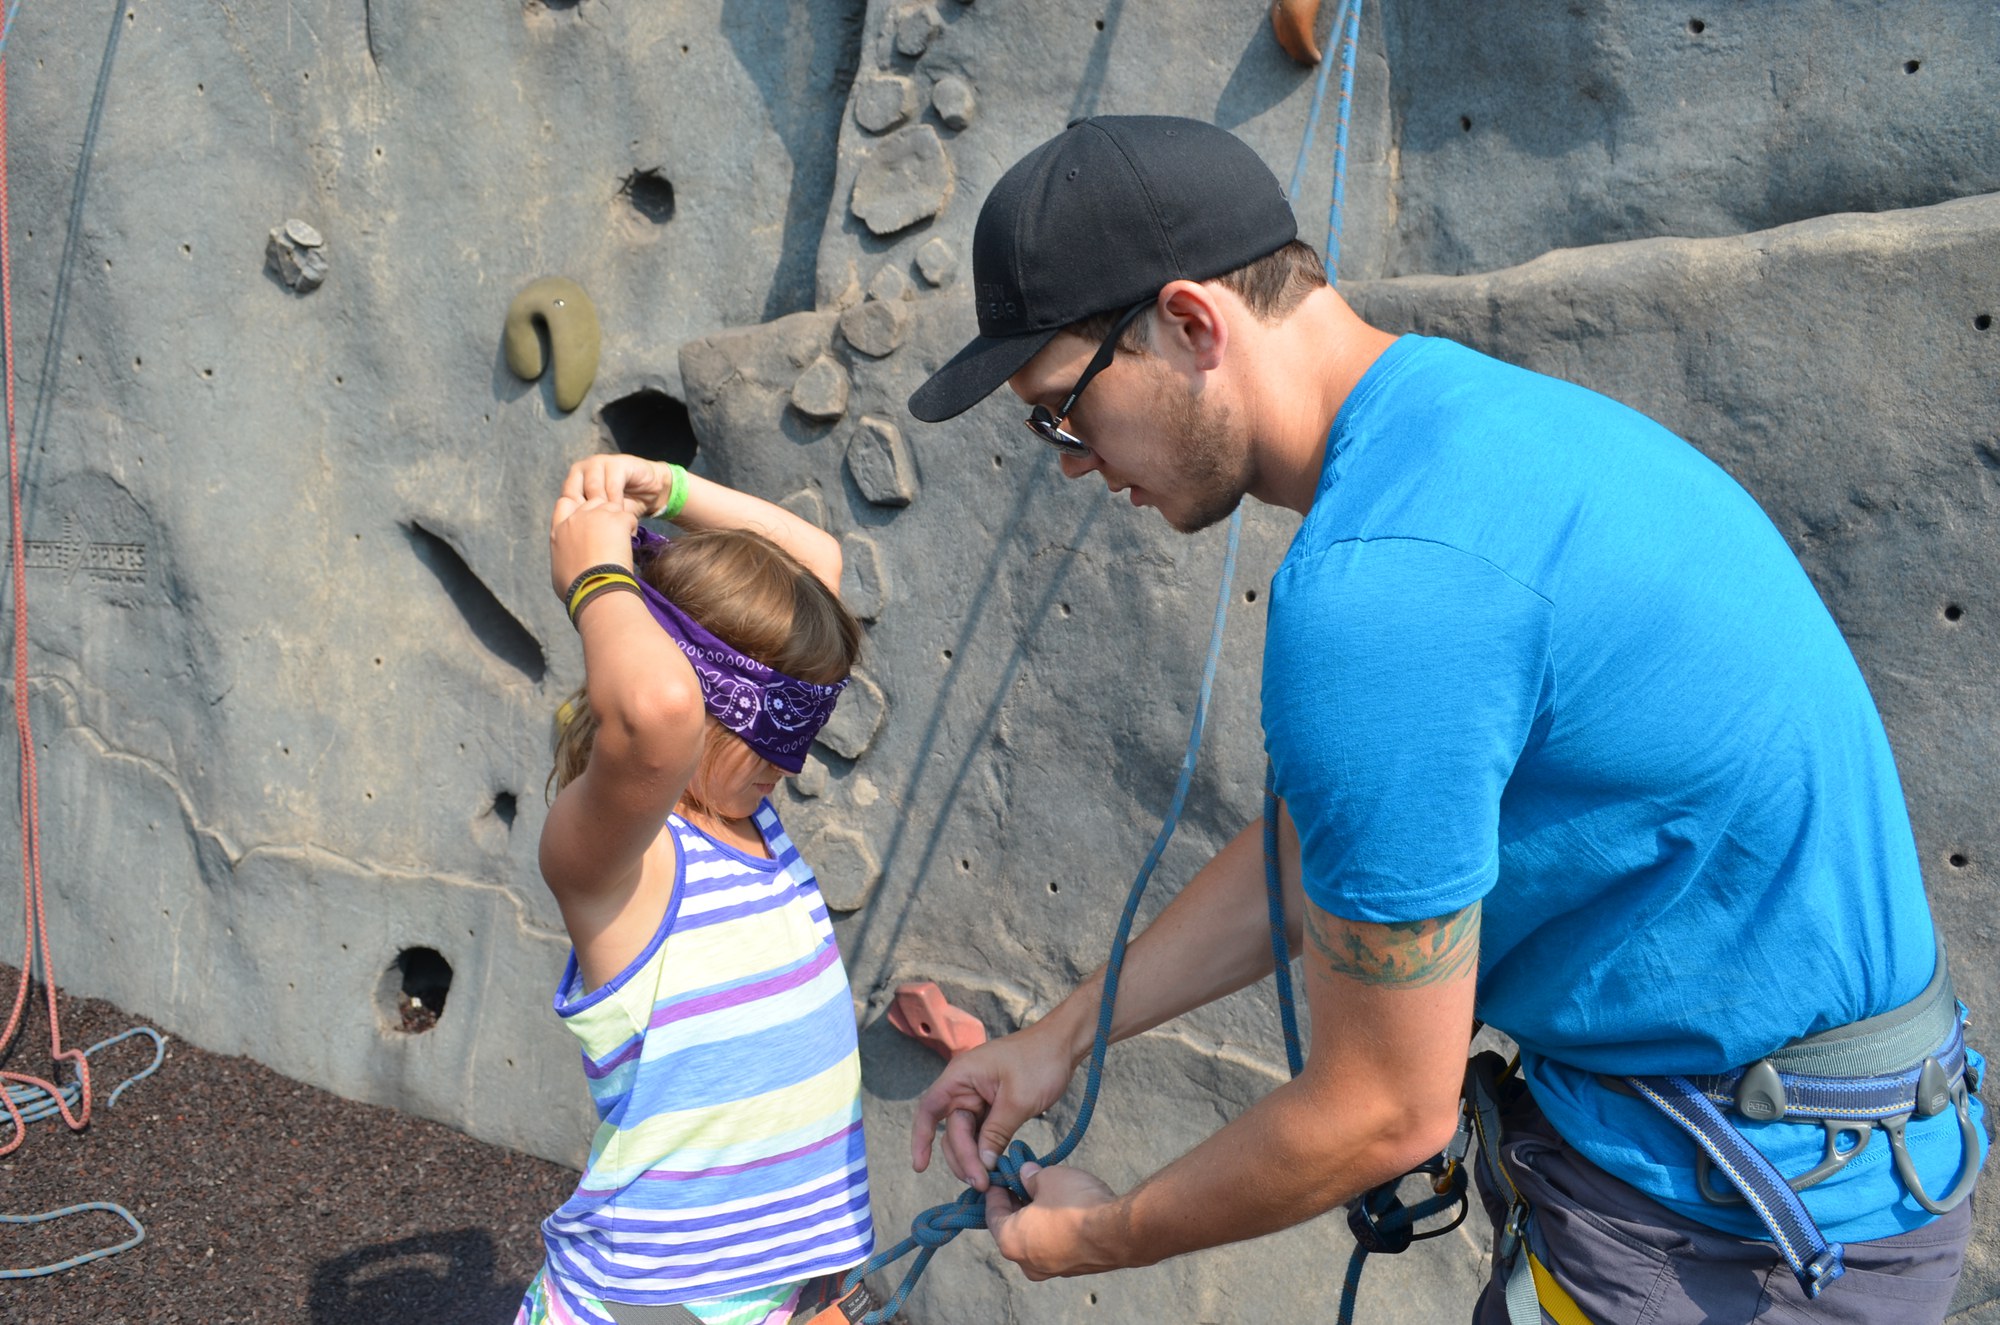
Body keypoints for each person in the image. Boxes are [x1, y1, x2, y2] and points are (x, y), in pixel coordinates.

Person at [901, 115, 1987, 1322]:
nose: (1069, 462)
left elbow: (1380, 1106)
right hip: (1831, 1164)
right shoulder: (1480, 425)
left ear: (1191, 323)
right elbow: (1340, 850)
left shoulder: (1383, 588)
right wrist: (1061, 1035)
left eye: (1063, 410)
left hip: (1726, 1240)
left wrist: (1095, 1235)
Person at [519, 455, 874, 1325]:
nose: (791, 756)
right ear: (704, 700)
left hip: (776, 1293)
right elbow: (656, 708)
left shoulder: (748, 819)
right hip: (643, 1305)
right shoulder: (622, 865)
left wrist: (664, 490)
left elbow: (816, 561)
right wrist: (597, 572)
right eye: (773, 727)